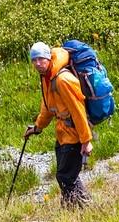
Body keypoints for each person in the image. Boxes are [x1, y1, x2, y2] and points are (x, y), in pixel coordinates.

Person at [23, 41, 93, 207]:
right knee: (66, 176)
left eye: (41, 59)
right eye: (34, 60)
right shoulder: (47, 78)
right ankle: (76, 208)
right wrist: (37, 128)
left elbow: (78, 110)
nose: (38, 63)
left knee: (65, 176)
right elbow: (47, 108)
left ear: (48, 58)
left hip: (74, 134)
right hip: (62, 133)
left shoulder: (63, 79)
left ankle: (83, 208)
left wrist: (86, 140)